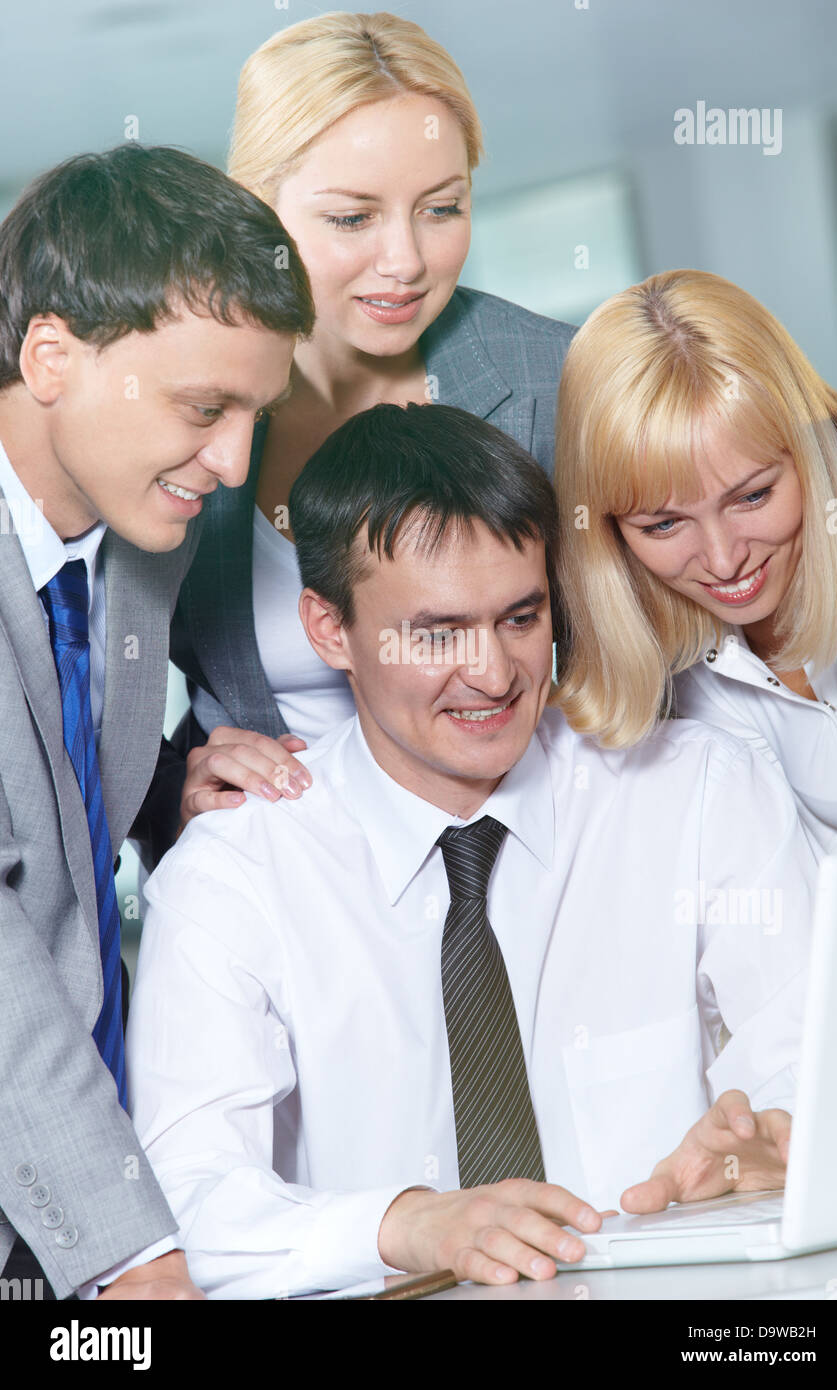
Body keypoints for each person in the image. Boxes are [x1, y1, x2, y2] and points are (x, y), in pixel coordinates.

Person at [127, 403, 813, 1299]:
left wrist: (780, 1137)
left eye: (521, 618)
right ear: (329, 630)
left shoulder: (700, 791)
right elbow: (191, 1198)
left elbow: (812, 1061)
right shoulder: (235, 875)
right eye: (438, 633)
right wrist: (412, 1222)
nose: (492, 673)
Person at [141, 11, 577, 862]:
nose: (406, 261)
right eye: (352, 219)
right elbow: (77, 682)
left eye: (441, 208)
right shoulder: (177, 405)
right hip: (289, 888)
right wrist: (171, 796)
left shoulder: (557, 381)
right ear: (255, 210)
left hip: (536, 869)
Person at [0, 142, 313, 1301]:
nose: (232, 462)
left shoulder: (136, 537)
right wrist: (135, 1256)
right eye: (202, 408)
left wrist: (157, 785)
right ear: (51, 356)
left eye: (252, 413)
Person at [553, 268, 837, 857]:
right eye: (663, 524)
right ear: (610, 533)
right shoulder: (694, 674)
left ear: (806, 449)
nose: (724, 561)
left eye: (752, 497)